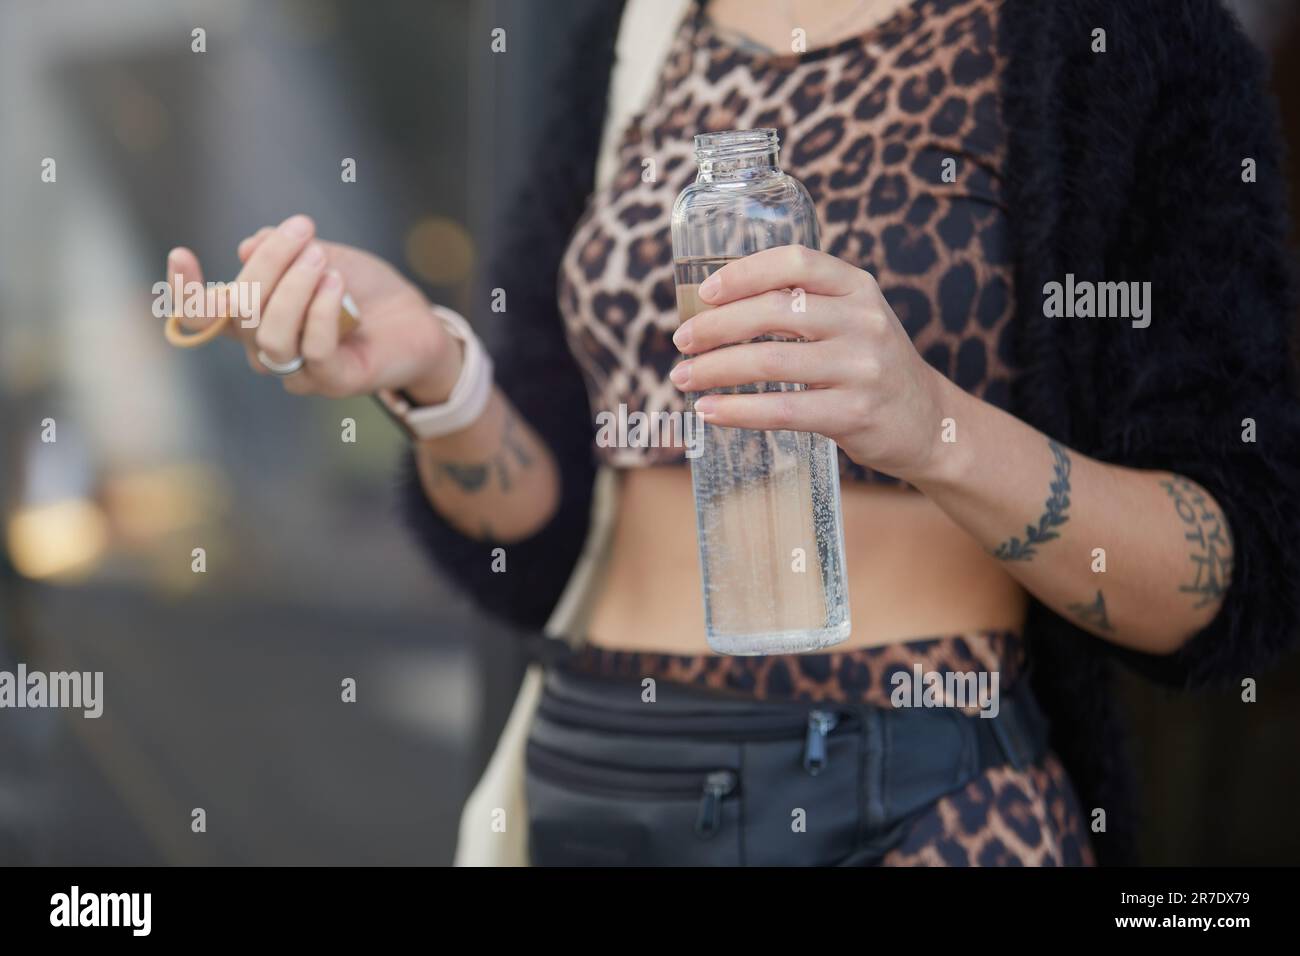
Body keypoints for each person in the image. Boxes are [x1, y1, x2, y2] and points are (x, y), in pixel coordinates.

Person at [165, 0, 1300, 866]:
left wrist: (931, 427)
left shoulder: (1117, 36)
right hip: (593, 773)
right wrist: (433, 374)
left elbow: (1233, 566)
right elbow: (537, 534)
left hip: (914, 793)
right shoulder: (639, 29)